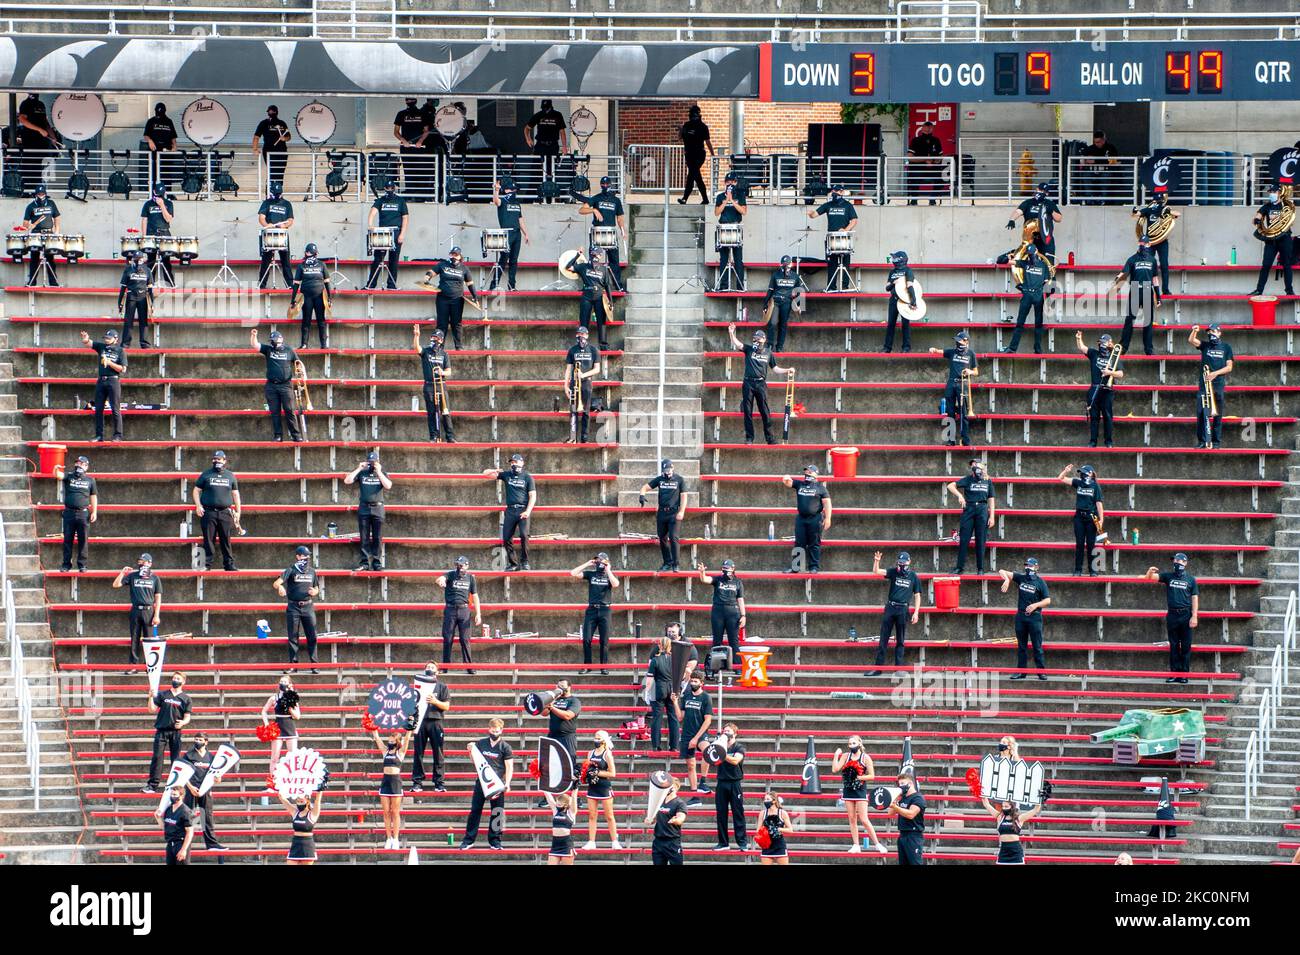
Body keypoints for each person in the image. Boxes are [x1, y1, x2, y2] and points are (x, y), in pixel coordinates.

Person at [728, 324, 795, 445]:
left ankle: (770, 438)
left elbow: (775, 368)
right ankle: (749, 438)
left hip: (760, 383)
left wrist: (787, 370)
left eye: (758, 338)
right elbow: (738, 344)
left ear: (763, 339)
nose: (756, 340)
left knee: (765, 411)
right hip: (748, 382)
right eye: (754, 338)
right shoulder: (749, 349)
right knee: (747, 411)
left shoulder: (768, 353)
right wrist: (731, 333)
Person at [460, 718, 514, 850]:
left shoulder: (505, 747)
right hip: (481, 783)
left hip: (497, 784)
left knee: (497, 812)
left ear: (502, 730)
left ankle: (495, 840)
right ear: (489, 729)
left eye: (497, 731)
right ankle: (469, 840)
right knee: (475, 811)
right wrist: (470, 751)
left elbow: (509, 766)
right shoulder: (481, 743)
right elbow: (475, 761)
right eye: (493, 730)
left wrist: (507, 783)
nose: (495, 733)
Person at [1144, 553, 1198, 684]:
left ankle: (1184, 674)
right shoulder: (1168, 576)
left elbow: (1195, 597)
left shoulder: (1191, 579)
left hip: (1186, 615)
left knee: (1185, 646)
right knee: (1173, 645)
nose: (1177, 562)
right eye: (1175, 560)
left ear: (1185, 563)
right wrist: (1149, 572)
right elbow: (1150, 578)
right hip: (1172, 615)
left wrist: (1194, 615)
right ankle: (1174, 673)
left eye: (1179, 560)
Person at [866, 550, 920, 676]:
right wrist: (877, 561)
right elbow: (877, 572)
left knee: (900, 640)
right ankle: (878, 668)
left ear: (909, 562)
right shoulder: (894, 572)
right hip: (891, 607)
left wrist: (916, 612)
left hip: (903, 609)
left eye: (904, 562)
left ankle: (898, 668)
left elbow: (917, 595)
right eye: (900, 562)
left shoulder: (913, 576)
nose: (902, 564)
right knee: (883, 638)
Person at [831, 736, 888, 853]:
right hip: (848, 790)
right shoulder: (846, 756)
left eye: (854, 743)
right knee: (852, 819)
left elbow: (872, 776)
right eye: (850, 743)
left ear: (859, 743)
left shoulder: (866, 757)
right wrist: (836, 755)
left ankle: (877, 844)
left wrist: (859, 777)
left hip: (860, 790)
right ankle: (856, 845)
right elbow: (835, 769)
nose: (852, 745)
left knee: (864, 819)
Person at [999, 557, 1051, 680]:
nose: (1028, 568)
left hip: (1035, 617)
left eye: (1030, 566)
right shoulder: (1021, 578)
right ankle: (1021, 672)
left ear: (1036, 567)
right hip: (1021, 616)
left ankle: (1041, 672)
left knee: (1037, 646)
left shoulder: (1040, 582)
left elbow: (1048, 600)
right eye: (1026, 566)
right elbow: (1001, 571)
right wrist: (1007, 579)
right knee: (1021, 646)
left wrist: (1036, 605)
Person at [482, 454, 535, 571]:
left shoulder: (527, 477)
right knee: (506, 538)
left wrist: (528, 511)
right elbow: (485, 473)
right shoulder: (507, 475)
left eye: (515, 462)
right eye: (511, 463)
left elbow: (533, 496)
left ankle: (525, 562)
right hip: (511, 510)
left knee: (524, 535)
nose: (513, 464)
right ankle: (513, 563)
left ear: (522, 463)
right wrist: (495, 470)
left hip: (523, 510)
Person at [573, 176, 626, 290]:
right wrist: (594, 210)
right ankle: (589, 284)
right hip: (597, 232)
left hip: (610, 233)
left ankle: (617, 285)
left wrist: (623, 231)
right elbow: (581, 210)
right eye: (603, 184)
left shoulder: (616, 200)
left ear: (610, 185)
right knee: (593, 261)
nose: (605, 186)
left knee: (614, 261)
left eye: (607, 184)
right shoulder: (596, 198)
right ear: (601, 185)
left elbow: (620, 217)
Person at [1112, 239, 1162, 356]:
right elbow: (1123, 273)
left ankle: (1149, 350)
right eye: (1141, 243)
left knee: (1148, 322)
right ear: (1138, 244)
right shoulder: (1132, 259)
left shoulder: (1152, 260)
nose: (1142, 245)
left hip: (1148, 290)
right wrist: (1117, 279)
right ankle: (1123, 348)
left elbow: (1155, 279)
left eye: (1145, 243)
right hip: (1135, 289)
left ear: (1149, 245)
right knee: (1129, 320)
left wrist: (1158, 296)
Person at [193, 450, 241, 572]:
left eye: (219, 459)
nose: (216, 461)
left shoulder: (230, 475)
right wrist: (198, 506)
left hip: (225, 512)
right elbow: (196, 490)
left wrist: (238, 511)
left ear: (224, 460)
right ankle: (207, 565)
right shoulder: (206, 474)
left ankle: (229, 565)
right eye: (214, 459)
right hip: (209, 512)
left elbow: (235, 494)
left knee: (226, 540)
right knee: (208, 540)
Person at [250, 328, 301, 442]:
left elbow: (298, 364)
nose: (273, 342)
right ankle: (278, 436)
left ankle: (296, 435)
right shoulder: (269, 350)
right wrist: (254, 335)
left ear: (281, 339)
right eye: (272, 340)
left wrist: (302, 374)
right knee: (275, 412)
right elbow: (255, 345)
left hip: (286, 385)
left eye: (274, 339)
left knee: (290, 410)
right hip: (271, 386)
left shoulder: (289, 350)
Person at [928, 330, 978, 447]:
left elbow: (976, 371)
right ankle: (951, 440)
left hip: (963, 384)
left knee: (964, 414)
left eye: (959, 341)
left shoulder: (971, 354)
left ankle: (965, 440)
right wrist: (933, 349)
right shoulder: (952, 352)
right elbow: (939, 351)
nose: (957, 343)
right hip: (951, 384)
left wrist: (970, 371)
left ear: (965, 341)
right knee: (950, 413)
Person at [275, 545, 320, 671]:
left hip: (308, 606)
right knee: (293, 637)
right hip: (293, 606)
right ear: (298, 557)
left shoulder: (312, 571)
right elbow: (276, 582)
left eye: (308, 556)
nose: (307, 558)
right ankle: (293, 665)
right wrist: (280, 587)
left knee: (312, 636)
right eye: (304, 556)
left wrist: (314, 592)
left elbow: (317, 587)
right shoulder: (291, 569)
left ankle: (314, 665)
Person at [144, 672, 191, 793]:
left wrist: (183, 723)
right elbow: (151, 709)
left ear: (183, 682)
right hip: (161, 731)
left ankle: (174, 785)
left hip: (175, 732)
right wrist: (150, 697)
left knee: (175, 759)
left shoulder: (186, 698)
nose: (175, 680)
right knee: (157, 757)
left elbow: (187, 717)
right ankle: (152, 785)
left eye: (178, 678)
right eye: (174, 678)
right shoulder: (163, 694)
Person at [180, 731, 227, 852]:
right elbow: (183, 774)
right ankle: (183, 844)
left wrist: (218, 779)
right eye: (196, 739)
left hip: (205, 790)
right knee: (187, 817)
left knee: (207, 817)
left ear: (206, 742)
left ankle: (211, 844)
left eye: (200, 740)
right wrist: (190, 787)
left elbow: (217, 777)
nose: (197, 742)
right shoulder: (188, 755)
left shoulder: (211, 757)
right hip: (191, 790)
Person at [344, 451, 391, 571]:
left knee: (377, 536)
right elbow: (347, 481)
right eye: (370, 462)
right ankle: (364, 563)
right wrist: (359, 468)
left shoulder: (382, 473)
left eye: (374, 462)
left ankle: (377, 562)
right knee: (364, 536)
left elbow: (388, 485)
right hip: (364, 507)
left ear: (378, 462)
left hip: (378, 507)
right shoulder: (363, 473)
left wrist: (379, 472)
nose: (371, 464)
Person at [946, 458, 994, 575]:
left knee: (980, 540)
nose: (973, 466)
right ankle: (959, 567)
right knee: (964, 540)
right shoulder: (968, 479)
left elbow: (991, 499)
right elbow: (950, 486)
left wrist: (992, 516)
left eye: (975, 464)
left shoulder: (987, 480)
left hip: (982, 509)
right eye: (972, 465)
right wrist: (960, 496)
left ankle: (980, 568)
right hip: (969, 509)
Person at [425, 246, 478, 350]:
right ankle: (439, 347)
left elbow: (470, 283)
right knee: (442, 323)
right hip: (442, 299)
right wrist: (427, 277)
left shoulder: (464, 268)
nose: (453, 256)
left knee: (456, 323)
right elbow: (432, 271)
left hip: (457, 300)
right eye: (452, 254)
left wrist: (475, 296)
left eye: (456, 255)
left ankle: (459, 346)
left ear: (460, 256)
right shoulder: (443, 265)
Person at [572, 553, 618, 674]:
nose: (599, 563)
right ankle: (587, 666)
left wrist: (608, 569)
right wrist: (588, 563)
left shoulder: (609, 575)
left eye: (601, 561)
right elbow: (573, 573)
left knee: (604, 640)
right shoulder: (591, 574)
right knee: (586, 639)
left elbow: (615, 584)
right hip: (591, 610)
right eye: (597, 561)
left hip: (605, 610)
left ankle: (604, 667)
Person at [113, 553, 160, 669]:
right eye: (139, 561)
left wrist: (156, 615)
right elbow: (116, 585)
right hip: (135, 610)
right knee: (134, 638)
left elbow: (158, 598)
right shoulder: (133, 576)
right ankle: (133, 665)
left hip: (149, 611)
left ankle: (149, 666)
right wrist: (123, 573)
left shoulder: (155, 578)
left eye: (143, 561)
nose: (141, 563)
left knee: (149, 640)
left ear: (150, 563)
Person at [1189, 323, 1233, 450]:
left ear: (1219, 332)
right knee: (1202, 414)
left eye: (1213, 331)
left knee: (1217, 416)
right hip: (1204, 386)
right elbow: (1191, 340)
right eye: (1209, 332)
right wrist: (1195, 331)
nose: (1211, 334)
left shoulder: (1226, 347)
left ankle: (1216, 442)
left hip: (1218, 386)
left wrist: (1215, 374)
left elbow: (1229, 367)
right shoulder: (1205, 346)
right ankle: (1202, 441)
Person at [808, 183, 858, 291]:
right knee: (832, 264)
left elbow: (854, 220)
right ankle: (831, 287)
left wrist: (845, 230)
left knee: (845, 263)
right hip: (831, 238)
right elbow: (814, 214)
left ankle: (845, 286)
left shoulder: (848, 205)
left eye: (837, 191)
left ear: (842, 192)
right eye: (833, 191)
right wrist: (811, 214)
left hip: (843, 238)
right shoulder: (828, 205)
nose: (834, 193)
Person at [410, 662, 451, 793]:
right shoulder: (418, 686)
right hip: (420, 721)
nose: (429, 669)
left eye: (432, 668)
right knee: (418, 753)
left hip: (436, 722)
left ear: (437, 672)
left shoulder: (442, 686)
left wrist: (435, 701)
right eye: (427, 667)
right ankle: (417, 782)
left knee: (438, 753)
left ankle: (439, 783)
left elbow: (446, 706)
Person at [674, 668, 714, 803]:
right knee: (691, 766)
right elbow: (680, 717)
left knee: (708, 752)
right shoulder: (686, 696)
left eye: (695, 681)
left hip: (700, 734)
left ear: (701, 683)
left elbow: (708, 720)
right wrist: (675, 703)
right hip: (686, 734)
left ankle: (703, 781)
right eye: (691, 681)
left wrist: (696, 738)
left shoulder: (706, 698)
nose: (693, 683)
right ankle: (695, 795)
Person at [1002, 245, 1051, 354]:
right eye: (1029, 254)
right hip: (1028, 295)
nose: (1031, 256)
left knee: (1038, 324)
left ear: (1036, 251)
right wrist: (1009, 255)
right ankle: (1013, 348)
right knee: (1020, 323)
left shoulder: (1043, 265)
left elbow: (1047, 282)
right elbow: (1008, 262)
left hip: (1037, 296)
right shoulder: (1025, 263)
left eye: (1032, 254)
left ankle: (1037, 349)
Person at [783, 464, 831, 574]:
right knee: (799, 543)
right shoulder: (800, 484)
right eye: (806, 471)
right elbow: (788, 482)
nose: (807, 473)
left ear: (815, 473)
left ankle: (814, 567)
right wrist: (785, 478)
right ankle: (796, 567)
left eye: (809, 471)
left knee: (814, 543)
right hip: (801, 518)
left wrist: (828, 518)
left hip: (815, 519)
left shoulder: (820, 487)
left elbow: (827, 503)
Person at [1078, 330, 1123, 447]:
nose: (1101, 345)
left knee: (1108, 416)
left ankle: (1108, 441)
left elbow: (1121, 374)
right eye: (1100, 343)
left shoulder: (1114, 357)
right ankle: (1093, 441)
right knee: (1094, 417)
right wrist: (1079, 338)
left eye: (1104, 343)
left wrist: (1109, 372)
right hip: (1094, 388)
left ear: (1109, 343)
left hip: (1107, 390)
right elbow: (1082, 348)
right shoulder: (1094, 354)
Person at [80, 328, 125, 443]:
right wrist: (85, 339)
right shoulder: (102, 347)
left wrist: (109, 363)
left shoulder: (120, 351)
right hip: (101, 380)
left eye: (109, 338)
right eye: (105, 338)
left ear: (116, 339)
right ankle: (99, 435)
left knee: (115, 409)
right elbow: (89, 343)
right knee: (98, 409)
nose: (106, 340)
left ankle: (118, 435)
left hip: (113, 380)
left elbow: (123, 369)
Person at [1058, 463, 1104, 577]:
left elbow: (1099, 504)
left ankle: (1092, 570)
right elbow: (1061, 478)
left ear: (1090, 473)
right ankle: (1078, 570)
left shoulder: (1095, 486)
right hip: (1079, 517)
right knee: (1079, 544)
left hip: (1091, 518)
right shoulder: (1079, 483)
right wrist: (1066, 471)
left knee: (1090, 544)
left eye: (1084, 473)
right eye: (1081, 473)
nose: (1082, 475)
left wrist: (1101, 520)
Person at [436, 556, 481, 671]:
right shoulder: (451, 574)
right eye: (458, 565)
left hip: (464, 610)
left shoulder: (471, 578)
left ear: (467, 565)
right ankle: (445, 666)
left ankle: (468, 666)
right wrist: (441, 580)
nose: (459, 567)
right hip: (450, 609)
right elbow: (440, 578)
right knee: (447, 638)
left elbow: (475, 596)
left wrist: (478, 614)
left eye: (461, 565)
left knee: (465, 639)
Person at [641, 458, 686, 572]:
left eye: (670, 468)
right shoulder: (660, 479)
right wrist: (642, 495)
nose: (668, 471)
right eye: (666, 469)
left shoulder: (679, 479)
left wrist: (682, 511)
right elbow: (645, 487)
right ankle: (667, 562)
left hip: (674, 513)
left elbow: (684, 496)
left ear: (673, 467)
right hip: (662, 512)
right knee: (662, 538)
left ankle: (676, 564)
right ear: (663, 470)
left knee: (674, 537)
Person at [1250, 182, 1295, 296]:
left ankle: (1289, 290)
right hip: (1271, 240)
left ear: (1280, 193)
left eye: (1273, 192)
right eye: (1270, 192)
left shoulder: (1286, 205)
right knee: (1266, 265)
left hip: (1285, 238)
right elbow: (1257, 216)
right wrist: (1257, 220)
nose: (1271, 194)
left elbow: (1290, 219)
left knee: (1287, 265)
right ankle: (1259, 290)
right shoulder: (1267, 206)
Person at [1005, 181, 1062, 269]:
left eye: (1044, 191)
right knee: (1029, 262)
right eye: (1040, 190)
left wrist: (1051, 210)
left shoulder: (1050, 203)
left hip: (1046, 238)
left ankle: (1050, 280)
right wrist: (1012, 220)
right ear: (1036, 189)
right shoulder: (1028, 202)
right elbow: (1018, 211)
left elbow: (1059, 219)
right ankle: (1030, 280)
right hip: (1031, 238)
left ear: (1047, 193)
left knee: (1048, 263)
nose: (1041, 192)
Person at [581, 730, 621, 851]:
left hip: (604, 787)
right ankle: (591, 841)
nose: (596, 740)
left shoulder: (607, 754)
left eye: (598, 738)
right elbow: (587, 768)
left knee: (609, 815)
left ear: (604, 740)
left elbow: (613, 773)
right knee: (592, 815)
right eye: (595, 737)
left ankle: (614, 841)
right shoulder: (590, 753)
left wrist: (598, 772)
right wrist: (586, 773)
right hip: (592, 787)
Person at [414, 325, 455, 442]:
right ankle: (433, 436)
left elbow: (449, 371)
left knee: (446, 412)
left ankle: (450, 436)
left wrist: (442, 372)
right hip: (429, 385)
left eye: (436, 338)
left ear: (441, 340)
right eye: (432, 337)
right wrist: (416, 336)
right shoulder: (426, 351)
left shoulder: (444, 354)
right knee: (431, 412)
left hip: (441, 384)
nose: (434, 340)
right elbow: (417, 348)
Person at [1131, 193, 1179, 294]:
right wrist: (1135, 211)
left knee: (1164, 265)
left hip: (1162, 242)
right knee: (1147, 264)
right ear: (1154, 202)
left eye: (1160, 202)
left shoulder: (1165, 209)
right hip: (1150, 243)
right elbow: (1136, 214)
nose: (1158, 204)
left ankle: (1165, 290)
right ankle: (1146, 289)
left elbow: (1177, 214)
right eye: (1157, 202)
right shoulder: (1149, 210)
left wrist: (1169, 212)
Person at [371, 727, 410, 850]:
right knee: (386, 812)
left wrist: (410, 729)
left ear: (397, 742)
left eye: (393, 741)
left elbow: (408, 738)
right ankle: (388, 838)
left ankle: (396, 838)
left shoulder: (401, 753)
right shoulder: (385, 752)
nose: (390, 743)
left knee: (395, 812)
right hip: (385, 783)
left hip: (396, 783)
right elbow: (377, 738)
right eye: (389, 741)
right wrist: (372, 727)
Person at [698, 559, 744, 660]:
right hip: (718, 611)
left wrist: (743, 615)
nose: (725, 570)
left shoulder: (738, 582)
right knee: (717, 640)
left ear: (733, 568)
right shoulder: (718, 579)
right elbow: (705, 579)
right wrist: (702, 572)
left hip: (732, 612)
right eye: (723, 568)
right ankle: (716, 665)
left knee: (734, 641)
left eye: (727, 568)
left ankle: (737, 666)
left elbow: (740, 599)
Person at [366, 179, 409, 289]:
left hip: (396, 231)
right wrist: (370, 225)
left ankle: (391, 285)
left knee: (394, 260)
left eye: (391, 188)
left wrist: (402, 234)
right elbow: (372, 212)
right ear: (384, 189)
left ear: (394, 188)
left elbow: (405, 218)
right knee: (378, 259)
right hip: (383, 232)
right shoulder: (380, 201)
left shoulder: (400, 201)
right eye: (387, 188)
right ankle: (371, 285)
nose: (390, 190)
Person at [712, 723, 748, 851]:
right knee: (721, 814)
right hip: (721, 782)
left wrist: (722, 754)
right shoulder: (720, 745)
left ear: (735, 733)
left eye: (728, 731)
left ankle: (742, 843)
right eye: (724, 730)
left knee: (738, 813)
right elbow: (712, 759)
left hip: (734, 783)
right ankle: (723, 843)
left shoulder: (739, 747)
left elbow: (735, 760)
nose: (725, 732)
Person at [260, 674, 301, 790]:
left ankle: (294, 783)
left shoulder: (293, 698)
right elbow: (263, 711)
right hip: (278, 728)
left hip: (290, 728)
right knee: (274, 758)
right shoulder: (274, 698)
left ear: (289, 684)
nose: (282, 683)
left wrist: (289, 707)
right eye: (281, 681)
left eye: (284, 682)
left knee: (293, 758)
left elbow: (298, 716)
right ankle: (272, 785)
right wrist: (267, 725)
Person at [489, 177, 529, 291]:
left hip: (517, 234)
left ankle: (512, 286)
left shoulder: (517, 203)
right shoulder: (503, 201)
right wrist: (496, 190)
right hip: (506, 233)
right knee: (503, 259)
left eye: (515, 190)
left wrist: (526, 233)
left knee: (514, 260)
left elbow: (520, 219)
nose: (514, 192)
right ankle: (494, 284)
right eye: (512, 190)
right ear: (506, 190)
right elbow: (496, 201)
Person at [978, 794, 1042, 864]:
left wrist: (1040, 798)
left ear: (1012, 807)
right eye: (1003, 806)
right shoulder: (1000, 817)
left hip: (1016, 852)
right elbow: (987, 805)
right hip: (1003, 851)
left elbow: (1035, 810)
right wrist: (982, 793)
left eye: (1006, 806)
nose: (1004, 808)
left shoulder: (1019, 819)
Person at [58, 454, 96, 573]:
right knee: (67, 540)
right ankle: (66, 565)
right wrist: (56, 468)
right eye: (77, 463)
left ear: (86, 466)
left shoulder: (90, 480)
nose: (79, 465)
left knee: (83, 540)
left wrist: (94, 511)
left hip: (83, 513)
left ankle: (82, 565)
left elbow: (93, 496)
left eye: (82, 463)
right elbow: (58, 476)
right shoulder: (69, 476)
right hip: (69, 512)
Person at [564, 325, 601, 444]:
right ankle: (573, 437)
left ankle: (584, 438)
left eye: (583, 334)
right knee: (573, 411)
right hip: (574, 383)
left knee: (586, 412)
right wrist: (565, 386)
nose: (581, 337)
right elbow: (568, 369)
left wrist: (583, 375)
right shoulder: (572, 350)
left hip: (586, 384)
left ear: (587, 335)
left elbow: (597, 369)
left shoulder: (594, 350)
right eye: (579, 334)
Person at [291, 242, 332, 349]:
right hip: (307, 297)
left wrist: (329, 298)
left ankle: (323, 345)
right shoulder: (302, 265)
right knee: (306, 321)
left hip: (319, 297)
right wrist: (293, 299)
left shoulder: (322, 265)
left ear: (306, 253)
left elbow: (327, 282)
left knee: (321, 320)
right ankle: (304, 344)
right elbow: (296, 284)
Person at [762, 256, 807, 353]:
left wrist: (799, 305)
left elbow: (800, 291)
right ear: (780, 264)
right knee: (772, 323)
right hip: (775, 302)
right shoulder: (775, 275)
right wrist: (765, 304)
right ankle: (770, 346)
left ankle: (780, 347)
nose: (786, 266)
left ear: (791, 264)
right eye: (784, 264)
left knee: (783, 325)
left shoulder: (795, 276)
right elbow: (770, 291)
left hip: (787, 302)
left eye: (788, 264)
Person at [20, 182, 60, 286]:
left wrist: (57, 231)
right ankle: (32, 282)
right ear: (35, 194)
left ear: (45, 194)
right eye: (39, 194)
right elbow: (25, 223)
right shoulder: (31, 206)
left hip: (48, 234)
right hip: (35, 235)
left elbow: (57, 217)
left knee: (50, 258)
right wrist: (31, 225)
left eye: (43, 194)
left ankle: (53, 282)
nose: (41, 196)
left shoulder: (51, 203)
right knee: (34, 258)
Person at [256, 180, 295, 289]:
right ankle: (262, 284)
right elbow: (261, 217)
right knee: (266, 261)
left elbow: (290, 220)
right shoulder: (267, 203)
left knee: (286, 261)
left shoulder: (287, 204)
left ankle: (289, 284)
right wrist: (267, 225)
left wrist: (285, 225)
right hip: (270, 234)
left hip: (282, 234)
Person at [572, 248, 613, 346]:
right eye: (592, 254)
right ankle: (582, 343)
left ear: (600, 256)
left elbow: (607, 285)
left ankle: (603, 344)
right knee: (584, 321)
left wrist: (611, 301)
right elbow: (569, 267)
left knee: (601, 321)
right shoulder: (584, 266)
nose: (594, 257)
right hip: (586, 296)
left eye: (596, 255)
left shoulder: (604, 269)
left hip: (599, 297)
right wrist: (577, 255)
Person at [714, 170, 747, 291]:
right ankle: (723, 286)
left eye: (732, 181)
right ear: (724, 183)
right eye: (728, 182)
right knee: (724, 259)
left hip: (736, 227)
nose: (730, 184)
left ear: (736, 182)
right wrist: (726, 201)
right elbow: (717, 212)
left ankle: (740, 286)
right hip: (724, 228)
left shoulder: (740, 195)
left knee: (738, 259)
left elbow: (744, 211)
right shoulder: (720, 197)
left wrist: (732, 200)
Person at [646, 635, 679, 752]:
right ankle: (674, 746)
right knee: (673, 718)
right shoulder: (676, 659)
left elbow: (649, 679)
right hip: (673, 689)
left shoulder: (655, 660)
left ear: (659, 646)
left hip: (659, 689)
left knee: (657, 718)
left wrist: (646, 692)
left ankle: (656, 745)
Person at [393, 97, 431, 198]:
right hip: (406, 147)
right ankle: (410, 192)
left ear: (416, 101)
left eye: (411, 100)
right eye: (408, 100)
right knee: (408, 169)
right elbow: (396, 132)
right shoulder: (401, 114)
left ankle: (421, 194)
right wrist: (403, 140)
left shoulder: (422, 113)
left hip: (419, 147)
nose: (410, 102)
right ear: (405, 101)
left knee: (420, 169)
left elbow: (426, 131)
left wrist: (420, 141)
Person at [139, 182, 176, 287]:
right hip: (151, 234)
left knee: (166, 260)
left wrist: (162, 205)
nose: (158, 196)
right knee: (151, 260)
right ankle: (149, 283)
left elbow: (168, 219)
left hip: (164, 232)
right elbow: (144, 220)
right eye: (157, 194)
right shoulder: (148, 204)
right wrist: (144, 236)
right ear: (154, 192)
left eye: (161, 195)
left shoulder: (168, 203)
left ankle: (169, 283)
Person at [882, 250, 917, 353]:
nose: (894, 260)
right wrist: (893, 283)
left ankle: (906, 347)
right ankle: (887, 347)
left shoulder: (908, 270)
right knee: (891, 324)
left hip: (905, 301)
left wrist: (913, 301)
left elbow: (910, 285)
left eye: (896, 258)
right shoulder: (892, 272)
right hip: (893, 300)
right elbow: (887, 288)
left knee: (905, 324)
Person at [117, 251, 153, 348]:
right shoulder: (128, 269)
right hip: (131, 297)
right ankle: (125, 344)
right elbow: (123, 288)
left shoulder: (147, 270)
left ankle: (144, 344)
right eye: (136, 259)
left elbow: (150, 289)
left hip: (143, 297)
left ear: (143, 259)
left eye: (139, 259)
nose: (138, 261)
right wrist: (120, 304)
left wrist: (151, 304)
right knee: (128, 321)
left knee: (143, 321)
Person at [889, 771, 926, 865]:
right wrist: (895, 799)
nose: (900, 786)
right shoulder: (902, 798)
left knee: (915, 863)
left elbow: (911, 814)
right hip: (902, 834)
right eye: (899, 784)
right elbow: (890, 813)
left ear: (910, 784)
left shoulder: (918, 798)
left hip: (913, 835)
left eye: (902, 783)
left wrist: (896, 807)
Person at [678, 105, 714, 205]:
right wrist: (681, 129)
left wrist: (713, 154)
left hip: (698, 154)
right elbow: (680, 137)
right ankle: (705, 199)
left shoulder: (703, 127)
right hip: (689, 154)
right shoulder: (687, 125)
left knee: (691, 175)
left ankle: (685, 198)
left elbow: (707, 142)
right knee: (696, 176)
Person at [651, 775, 690, 865]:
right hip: (658, 842)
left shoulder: (680, 803)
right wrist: (650, 819)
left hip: (672, 842)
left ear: (674, 787)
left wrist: (677, 820)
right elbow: (654, 818)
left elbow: (681, 817)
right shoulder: (660, 801)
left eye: (668, 785)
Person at [541, 679, 581, 764]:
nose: (560, 688)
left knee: (568, 764)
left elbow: (567, 715)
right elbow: (544, 713)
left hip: (567, 737)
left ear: (569, 687)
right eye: (558, 686)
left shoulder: (574, 701)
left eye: (562, 686)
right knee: (550, 763)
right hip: (553, 735)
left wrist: (553, 708)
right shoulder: (554, 700)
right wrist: (552, 699)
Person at [279, 788, 323, 865]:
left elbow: (318, 800)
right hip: (296, 843)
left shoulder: (313, 814)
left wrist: (320, 789)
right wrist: (277, 786)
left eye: (301, 801)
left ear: (308, 801)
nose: (299, 803)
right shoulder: (294, 812)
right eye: (298, 802)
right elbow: (282, 799)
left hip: (307, 844)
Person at [906, 120, 944, 205]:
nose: (928, 129)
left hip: (933, 168)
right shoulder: (915, 140)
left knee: (940, 177)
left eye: (930, 127)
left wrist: (935, 161)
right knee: (915, 176)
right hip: (918, 168)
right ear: (922, 128)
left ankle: (932, 198)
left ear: (932, 128)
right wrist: (924, 160)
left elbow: (941, 156)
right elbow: (910, 157)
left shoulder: (936, 140)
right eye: (926, 126)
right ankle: (914, 199)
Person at [252, 104, 290, 188]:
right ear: (267, 112)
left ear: (276, 112)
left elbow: (289, 136)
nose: (271, 112)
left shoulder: (282, 123)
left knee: (280, 173)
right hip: (269, 151)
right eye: (269, 111)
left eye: (272, 111)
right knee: (271, 172)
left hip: (282, 151)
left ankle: (279, 192)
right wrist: (255, 149)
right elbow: (256, 137)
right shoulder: (264, 123)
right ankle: (269, 193)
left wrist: (285, 138)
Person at [1077, 130, 1119, 205]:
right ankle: (1089, 199)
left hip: (1105, 172)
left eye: (1098, 142)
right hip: (1091, 172)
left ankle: (1104, 199)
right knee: (1086, 175)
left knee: (1106, 176)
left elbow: (1114, 161)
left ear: (1103, 140)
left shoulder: (1111, 148)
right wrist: (1086, 161)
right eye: (1095, 142)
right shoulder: (1090, 148)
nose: (1097, 144)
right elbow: (1082, 161)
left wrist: (1095, 161)